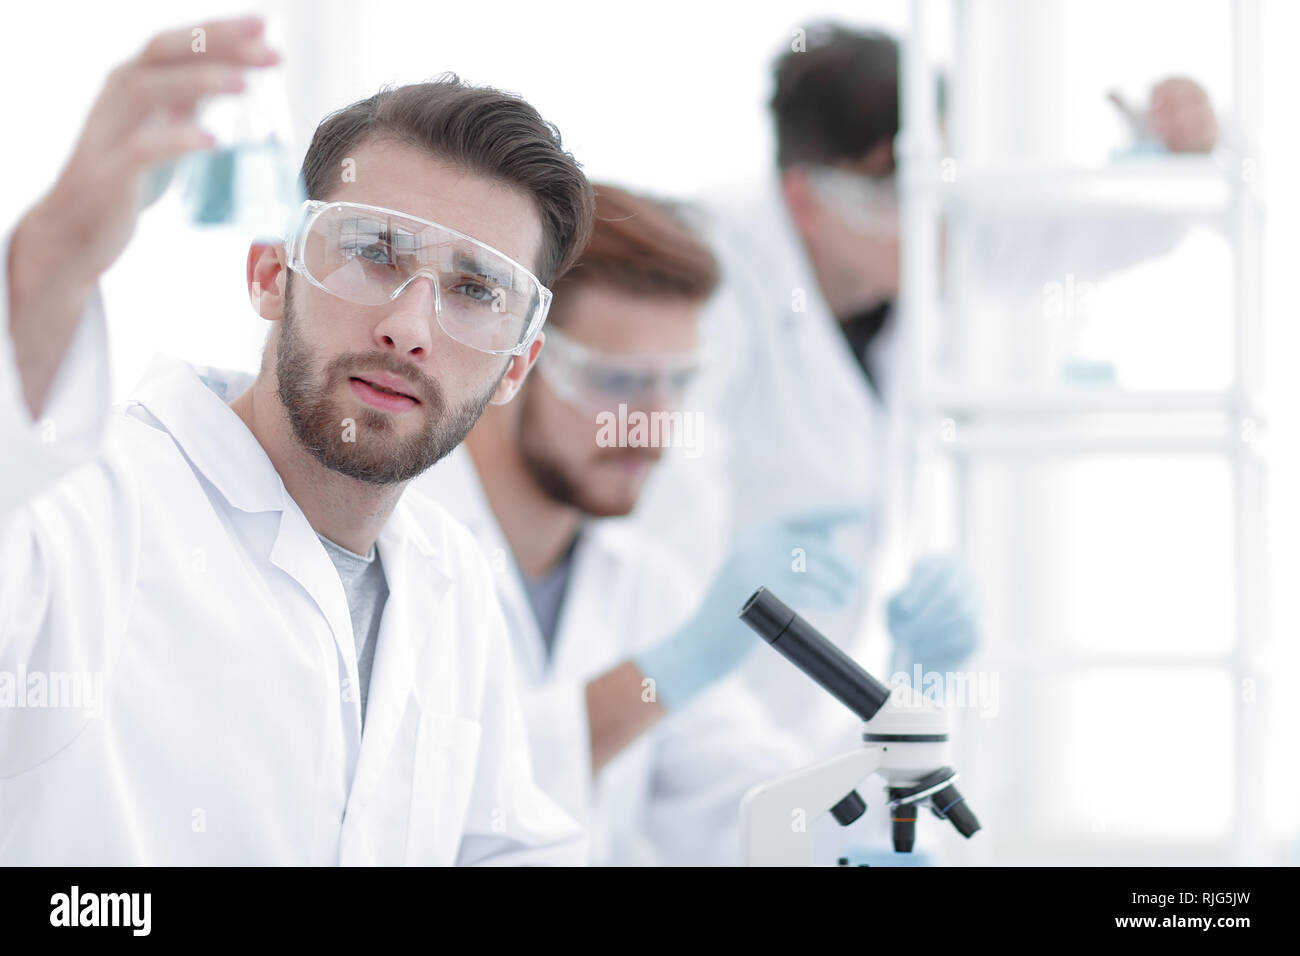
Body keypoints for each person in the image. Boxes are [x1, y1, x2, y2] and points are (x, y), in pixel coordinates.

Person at [0, 16, 594, 865]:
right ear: (272, 274)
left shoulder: (450, 575)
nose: (409, 327)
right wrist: (49, 261)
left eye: (474, 289)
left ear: (515, 365)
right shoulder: (89, 511)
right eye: (374, 253)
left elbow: (500, 843)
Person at [637, 24, 1224, 748]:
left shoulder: (916, 247)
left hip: (787, 720)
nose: (934, 219)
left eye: (938, 180)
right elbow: (665, 497)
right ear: (805, 198)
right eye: (896, 188)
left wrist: (1178, 158)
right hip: (673, 712)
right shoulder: (714, 271)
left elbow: (1087, 231)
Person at [414, 184, 860, 865]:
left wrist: (900, 731)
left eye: (678, 382)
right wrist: (662, 674)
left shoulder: (645, 580)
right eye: (619, 383)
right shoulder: (397, 547)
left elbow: (754, 813)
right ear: (511, 358)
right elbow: (432, 796)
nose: (654, 425)